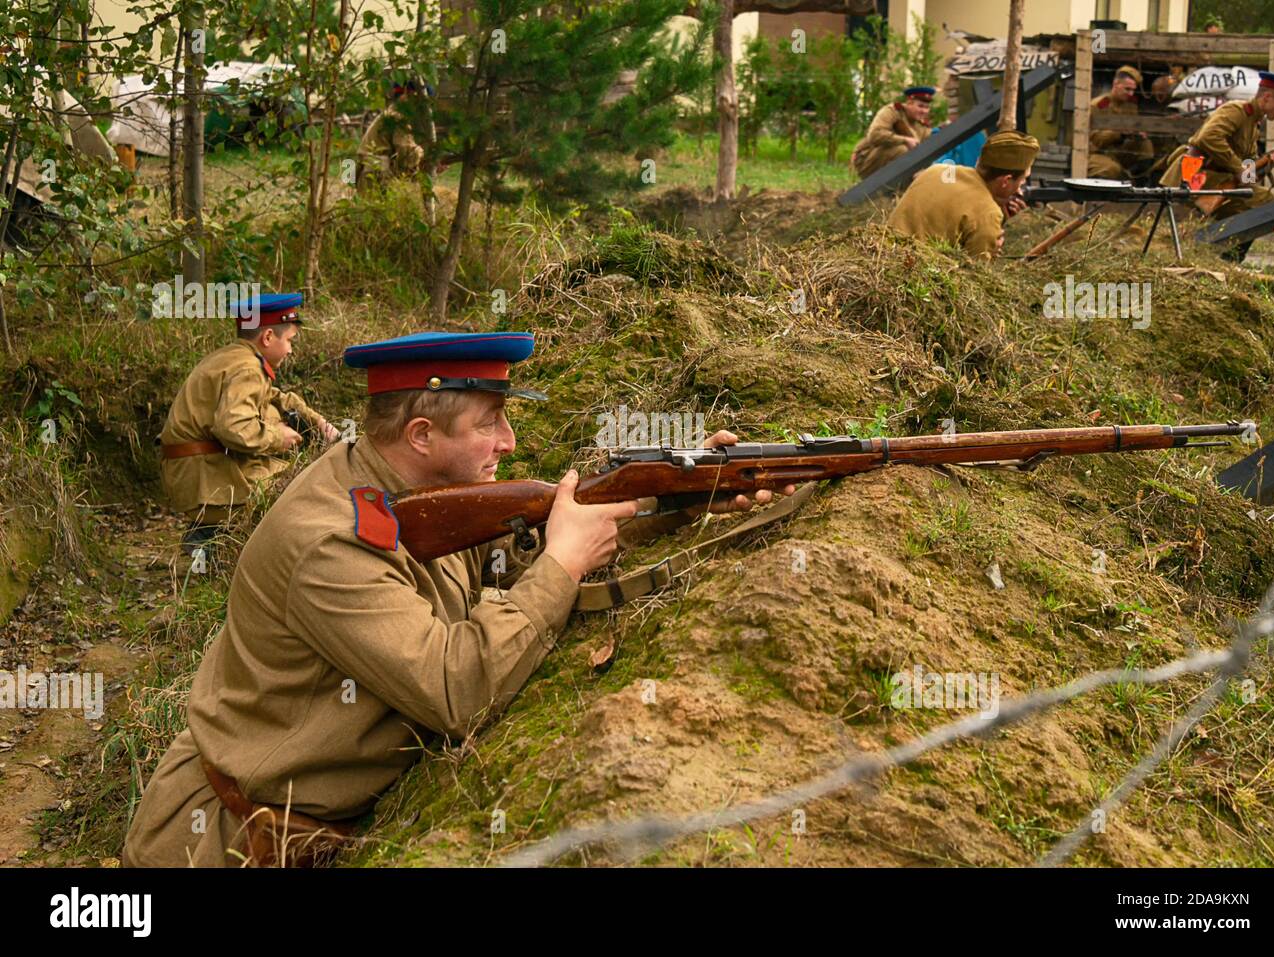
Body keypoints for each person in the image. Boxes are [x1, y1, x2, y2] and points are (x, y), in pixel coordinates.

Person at [123, 331, 796, 867]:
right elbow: (457, 685)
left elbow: (512, 560)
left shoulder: (410, 490)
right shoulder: (328, 542)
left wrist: (665, 496)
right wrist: (564, 561)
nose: (508, 442)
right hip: (225, 844)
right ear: (421, 434)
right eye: (489, 424)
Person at [158, 292, 340, 549]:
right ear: (267, 337)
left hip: (195, 472)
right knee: (299, 486)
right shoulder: (247, 368)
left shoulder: (233, 358)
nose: (290, 349)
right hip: (206, 479)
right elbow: (233, 428)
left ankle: (213, 535)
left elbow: (272, 397)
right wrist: (280, 437)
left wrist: (317, 421)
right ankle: (216, 538)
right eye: (289, 341)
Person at [1158, 70, 1274, 221]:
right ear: (1267, 97)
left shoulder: (1253, 123)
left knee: (1260, 198)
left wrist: (1268, 165)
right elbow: (1208, 137)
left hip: (1216, 179)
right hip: (1194, 175)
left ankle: (1224, 243)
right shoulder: (1237, 110)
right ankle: (1221, 242)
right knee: (1262, 199)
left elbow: (1247, 169)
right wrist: (1239, 169)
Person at [887, 130, 1040, 260]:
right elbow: (977, 277)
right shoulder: (988, 214)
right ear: (1006, 181)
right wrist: (993, 250)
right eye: (1023, 179)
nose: (1021, 187)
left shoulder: (939, 170)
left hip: (881, 257)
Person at [850, 85, 935, 181]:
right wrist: (904, 140)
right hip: (868, 161)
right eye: (920, 106)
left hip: (896, 164)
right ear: (909, 103)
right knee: (902, 150)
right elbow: (874, 135)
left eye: (927, 108)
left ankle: (899, 188)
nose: (923, 111)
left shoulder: (923, 127)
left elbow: (925, 152)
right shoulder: (892, 112)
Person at [1088, 65, 1154, 180]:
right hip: (1096, 153)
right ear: (1116, 85)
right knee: (1112, 170)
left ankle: (1137, 181)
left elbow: (1133, 126)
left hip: (1118, 151)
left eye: (1133, 90)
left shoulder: (1130, 105)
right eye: (1127, 89)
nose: (1131, 94)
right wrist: (1119, 132)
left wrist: (1137, 133)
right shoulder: (1099, 105)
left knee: (1145, 145)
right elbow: (1095, 140)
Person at [357, 81, 426, 189]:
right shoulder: (398, 117)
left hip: (371, 173)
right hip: (378, 175)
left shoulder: (390, 113)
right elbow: (405, 151)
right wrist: (426, 161)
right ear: (406, 95)